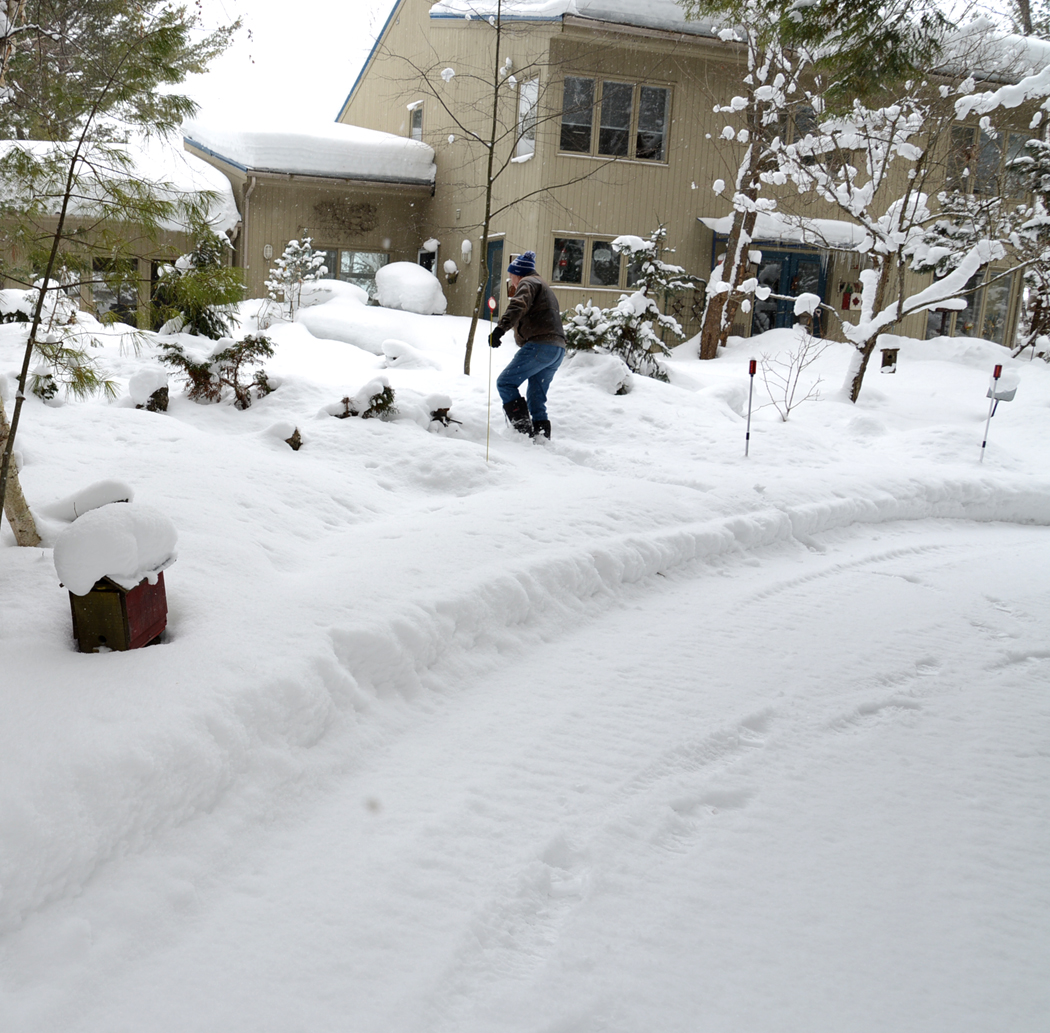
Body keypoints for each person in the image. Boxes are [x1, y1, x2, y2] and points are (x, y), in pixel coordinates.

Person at [488, 250, 565, 439]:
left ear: (518, 274)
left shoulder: (528, 283)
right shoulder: (543, 285)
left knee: (505, 383)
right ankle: (541, 440)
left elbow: (517, 305)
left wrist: (500, 329)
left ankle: (522, 434)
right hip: (557, 349)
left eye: (511, 276)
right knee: (536, 398)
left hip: (540, 346)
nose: (511, 281)